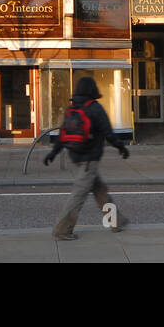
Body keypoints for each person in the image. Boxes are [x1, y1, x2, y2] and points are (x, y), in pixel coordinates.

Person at [44, 75, 129, 240]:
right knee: (79, 195)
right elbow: (108, 133)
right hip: (90, 159)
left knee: (100, 190)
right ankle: (62, 229)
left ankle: (116, 221)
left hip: (76, 156)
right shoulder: (95, 108)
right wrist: (121, 147)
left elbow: (62, 134)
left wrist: (53, 153)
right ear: (93, 89)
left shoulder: (72, 108)